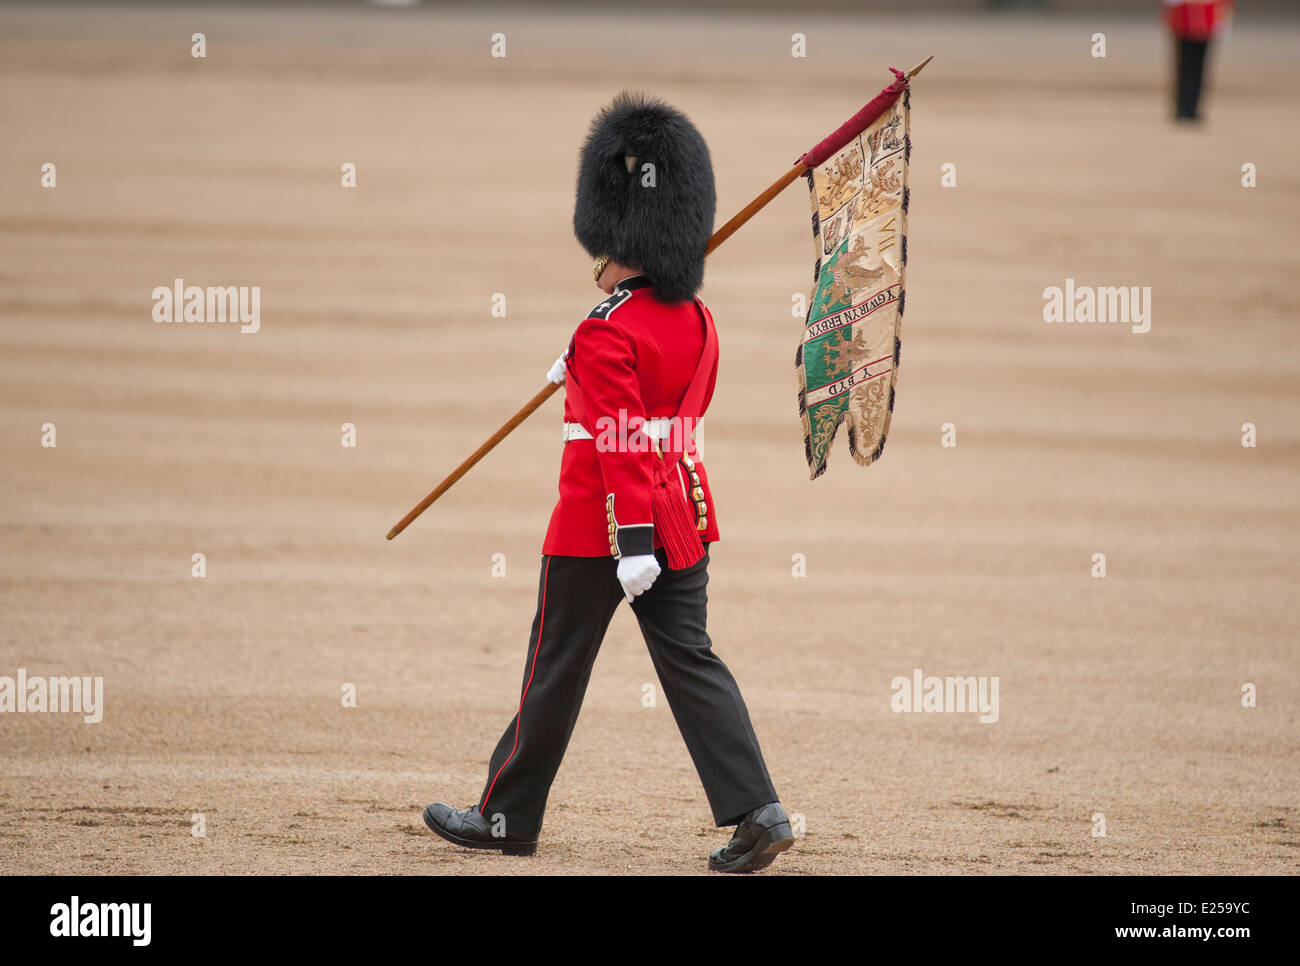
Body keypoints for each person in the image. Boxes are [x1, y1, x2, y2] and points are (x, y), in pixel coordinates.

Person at [422, 91, 793, 873]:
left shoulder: (606, 328)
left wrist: (628, 543)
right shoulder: (696, 320)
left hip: (603, 527)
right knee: (693, 663)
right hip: (683, 515)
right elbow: (662, 415)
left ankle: (506, 817)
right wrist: (581, 371)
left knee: (553, 669)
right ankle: (759, 810)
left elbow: (621, 445)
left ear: (618, 238)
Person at [1165, 0, 1235, 122]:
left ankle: (1193, 107)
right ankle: (1183, 107)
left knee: (1199, 67)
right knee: (1184, 66)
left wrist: (1223, 18)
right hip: (1184, 19)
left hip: (1206, 19)